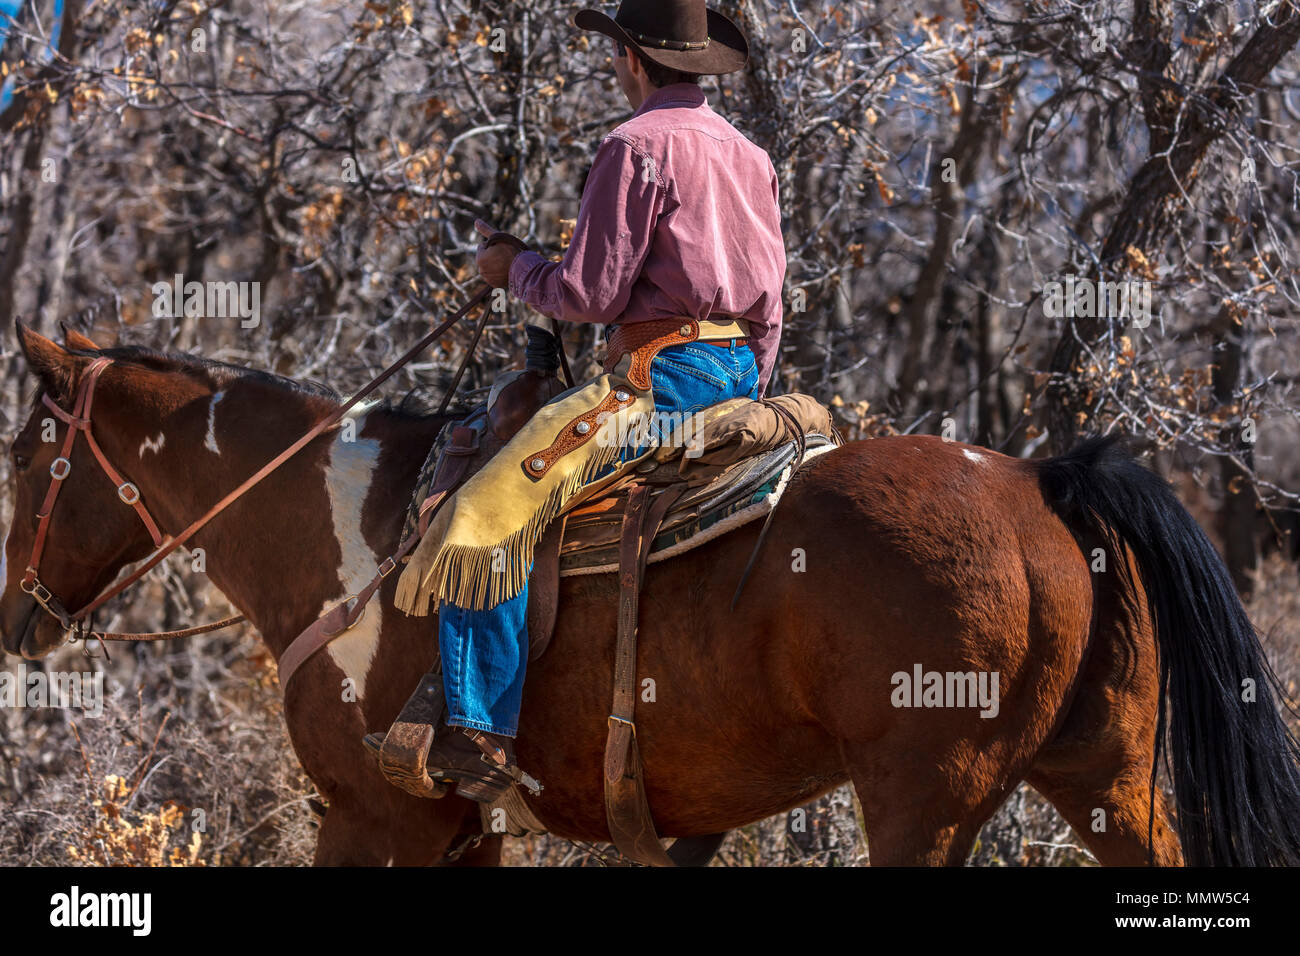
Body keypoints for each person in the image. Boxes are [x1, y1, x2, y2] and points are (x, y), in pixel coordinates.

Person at [374, 0, 787, 802]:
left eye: (615, 54)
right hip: (740, 378)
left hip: (656, 381)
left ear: (633, 59)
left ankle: (480, 731)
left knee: (486, 513)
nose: (612, 66)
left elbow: (590, 293)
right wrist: (747, 391)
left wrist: (516, 271)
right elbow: (769, 312)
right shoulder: (750, 156)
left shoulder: (636, 146)